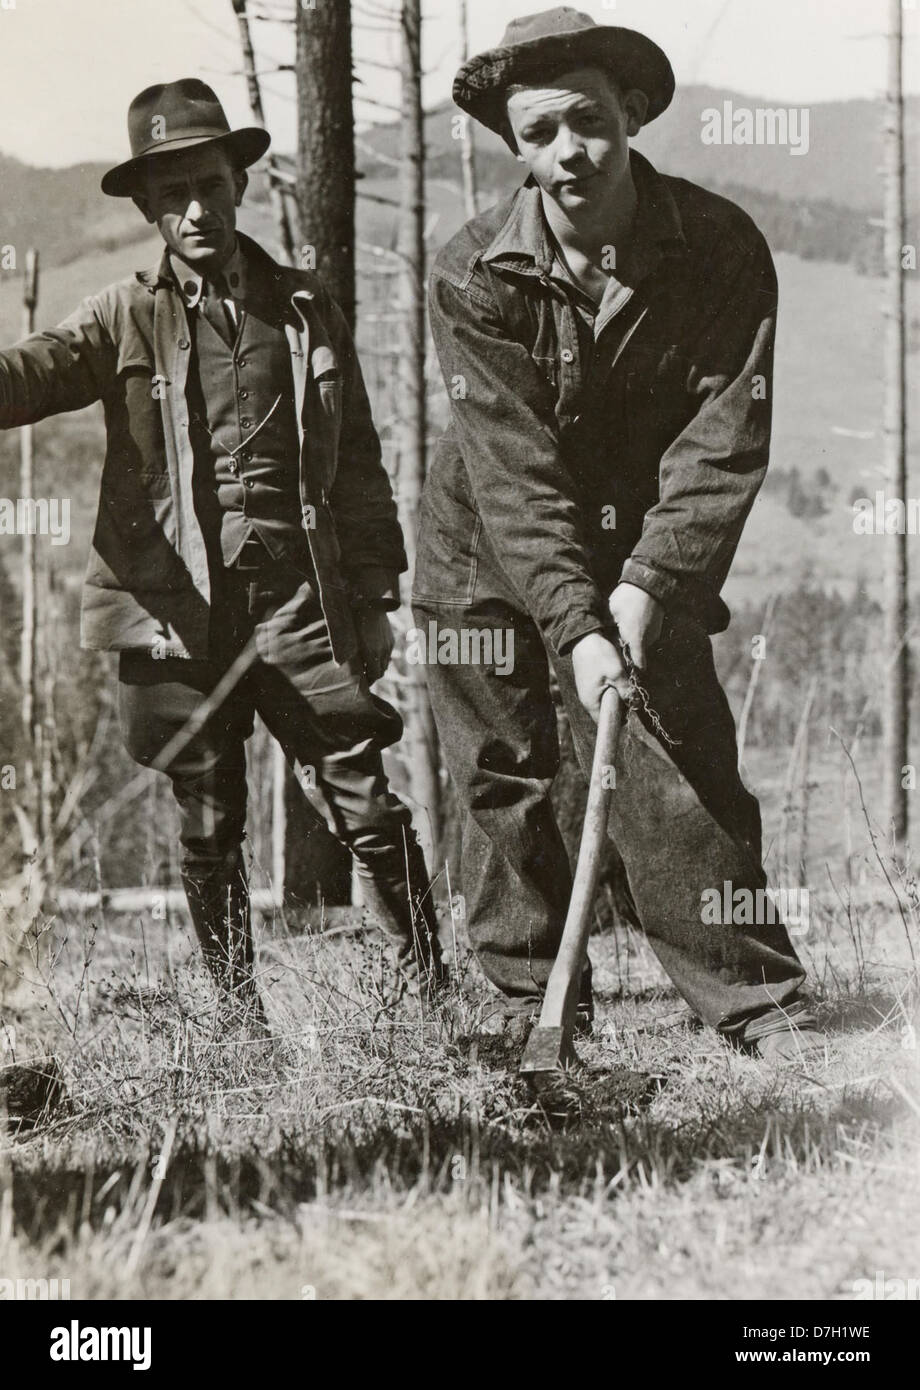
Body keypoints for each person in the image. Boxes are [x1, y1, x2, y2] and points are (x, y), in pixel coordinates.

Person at [414, 9, 825, 1061]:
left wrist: (644, 591)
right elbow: (513, 482)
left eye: (588, 122)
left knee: (676, 751)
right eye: (539, 133)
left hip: (645, 544)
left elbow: (721, 444)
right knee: (502, 766)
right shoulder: (470, 273)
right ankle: (529, 1004)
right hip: (487, 551)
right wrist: (575, 626)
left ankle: (755, 1000)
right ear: (513, 145)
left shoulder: (717, 247)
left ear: (631, 114)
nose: (567, 154)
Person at [0, 80, 444, 1027]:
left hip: (298, 600)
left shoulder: (303, 310)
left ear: (240, 182)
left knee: (363, 793)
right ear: (149, 207)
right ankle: (237, 1017)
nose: (194, 210)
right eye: (171, 195)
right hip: (174, 609)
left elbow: (357, 461)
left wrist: (373, 593)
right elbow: (31, 373)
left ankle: (431, 996)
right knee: (207, 818)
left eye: (209, 184)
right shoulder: (122, 315)